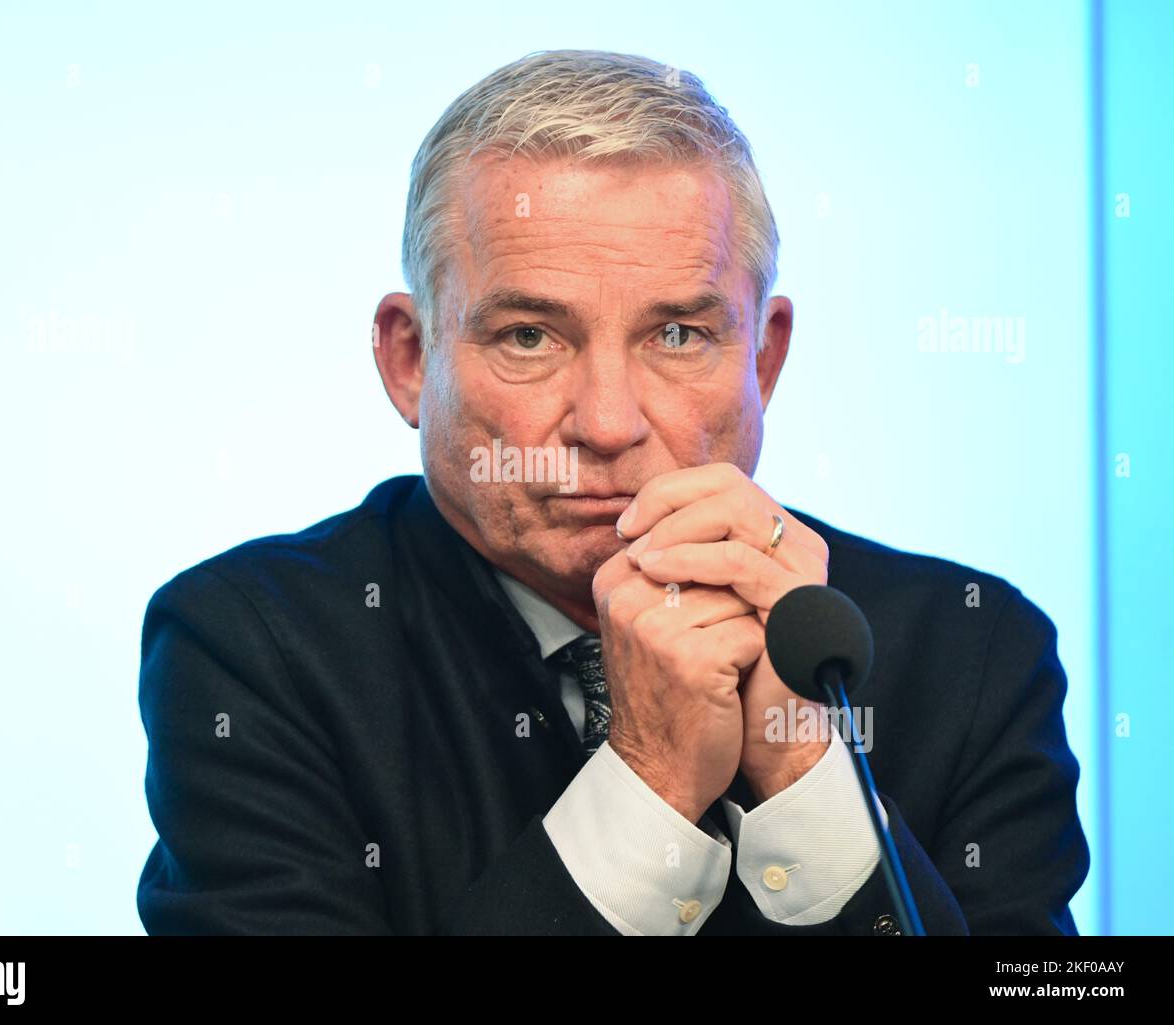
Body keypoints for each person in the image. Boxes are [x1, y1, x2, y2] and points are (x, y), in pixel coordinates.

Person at [136, 49, 1088, 935]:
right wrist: (651, 779)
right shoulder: (250, 648)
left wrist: (807, 776)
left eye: (677, 335)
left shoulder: (974, 651)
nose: (606, 423)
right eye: (528, 336)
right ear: (409, 358)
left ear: (764, 357)